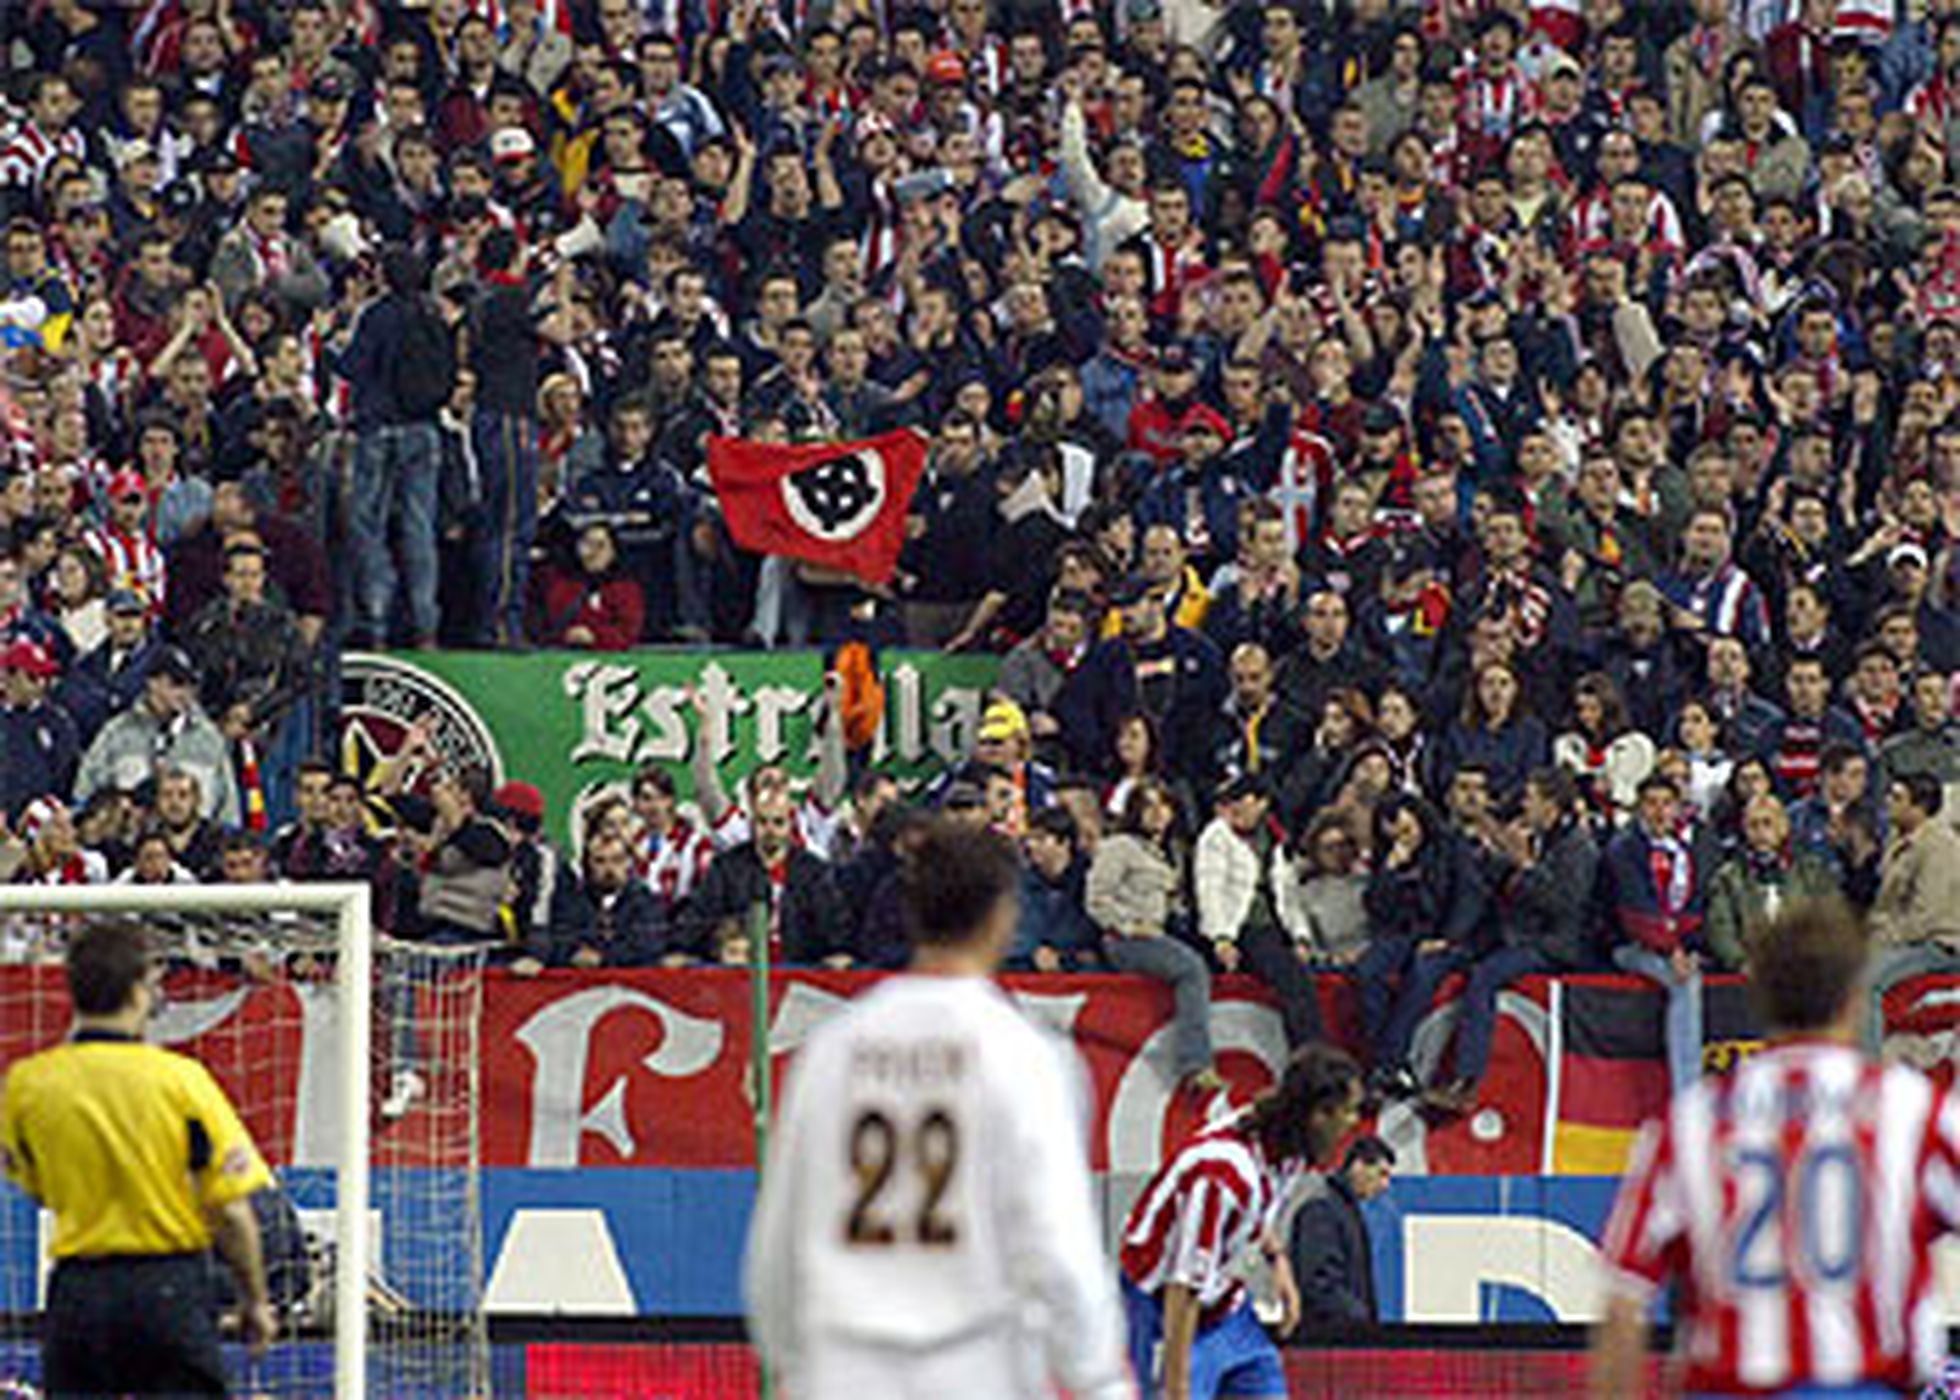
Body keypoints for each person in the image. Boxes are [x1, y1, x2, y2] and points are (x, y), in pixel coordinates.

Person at [743, 818, 1133, 1400]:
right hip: (977, 1363)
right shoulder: (1024, 1055)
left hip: (845, 1364)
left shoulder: (833, 1049)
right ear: (1003, 917)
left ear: (911, 911)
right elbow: (1057, 1242)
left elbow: (779, 1237)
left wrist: (792, 1361)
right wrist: (1099, 1379)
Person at [1591, 897, 1960, 1397]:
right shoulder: (1912, 1110)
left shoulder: (1691, 1122)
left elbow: (1622, 1304)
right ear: (1855, 999)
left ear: (1759, 995)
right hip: (1864, 1385)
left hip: (1731, 1385)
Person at [1, 919, 276, 1395]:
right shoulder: (181, 1081)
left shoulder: (28, 1085)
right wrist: (254, 1299)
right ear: (138, 991)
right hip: (167, 1285)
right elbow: (230, 1208)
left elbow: (31, 1180)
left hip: (79, 1289)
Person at [1119, 1041, 1364, 1400]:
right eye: (1350, 1111)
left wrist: (1278, 1262)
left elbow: (1254, 1212)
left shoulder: (1290, 1148)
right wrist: (1177, 1390)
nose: (1355, 1122)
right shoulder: (1222, 1176)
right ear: (1318, 1114)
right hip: (1162, 1309)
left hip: (1226, 1308)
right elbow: (1182, 1286)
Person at [1863, 772, 1960, 1055]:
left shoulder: (1939, 845)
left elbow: (1926, 916)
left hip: (1939, 944)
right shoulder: (1898, 840)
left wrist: (1881, 941)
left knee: (1867, 983)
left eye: (1897, 798)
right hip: (1905, 937)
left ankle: (1869, 1068)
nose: (1887, 802)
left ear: (1920, 807)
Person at [1288, 1135, 1394, 1329]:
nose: (1385, 1185)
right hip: (1329, 1336)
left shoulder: (1345, 1210)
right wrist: (1358, 1319)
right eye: (1381, 1173)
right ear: (1358, 1166)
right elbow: (1319, 1281)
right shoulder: (1322, 1208)